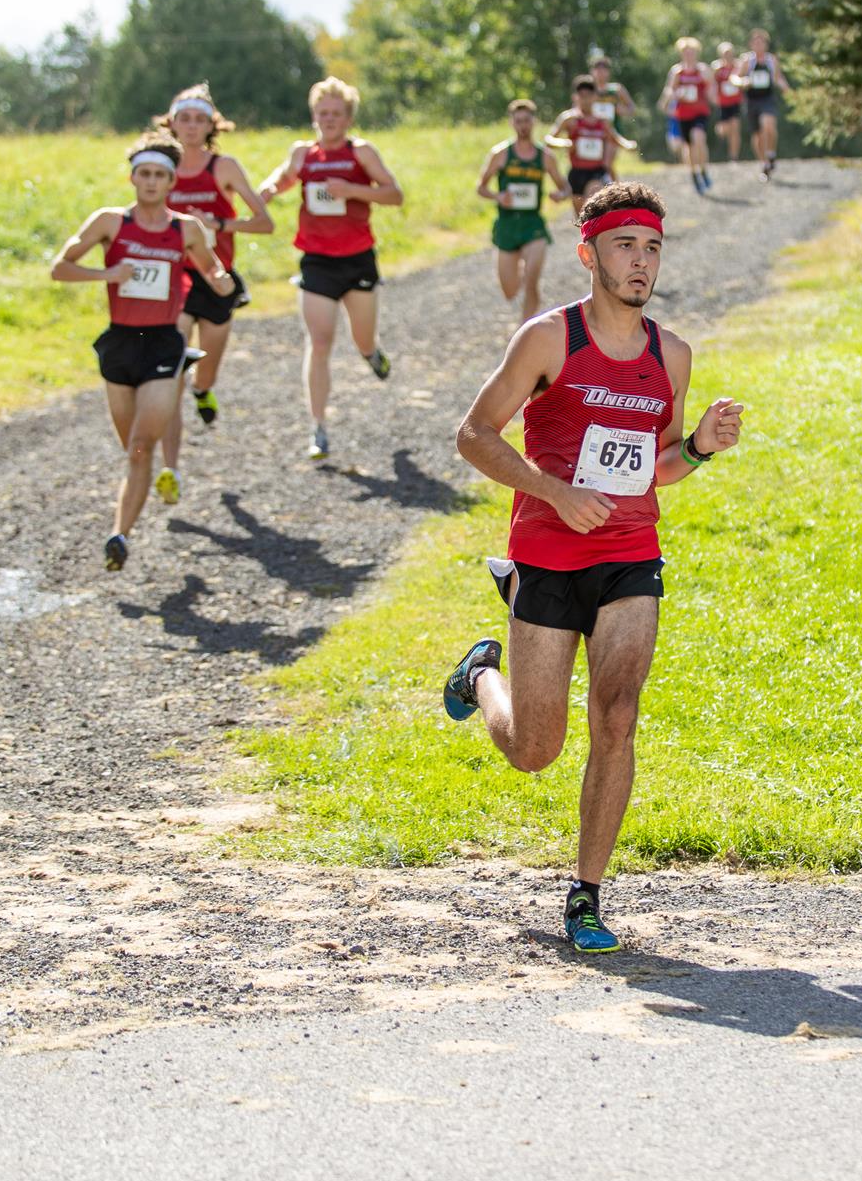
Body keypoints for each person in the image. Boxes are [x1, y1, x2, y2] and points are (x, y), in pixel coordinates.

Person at [443, 182, 746, 952]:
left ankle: (587, 895)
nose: (641, 262)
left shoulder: (670, 354)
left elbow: (659, 467)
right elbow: (473, 434)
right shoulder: (549, 340)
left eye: (651, 248)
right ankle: (483, 673)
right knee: (534, 749)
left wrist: (702, 446)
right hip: (547, 553)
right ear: (588, 254)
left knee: (617, 714)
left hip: (629, 555)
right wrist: (552, 491)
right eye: (624, 246)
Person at [49, 132, 235, 570]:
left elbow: (212, 268)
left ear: (171, 182)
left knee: (139, 443)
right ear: (133, 178)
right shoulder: (110, 222)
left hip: (163, 343)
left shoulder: (185, 229)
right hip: (119, 343)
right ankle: (137, 503)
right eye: (144, 174)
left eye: (159, 175)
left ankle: (119, 535)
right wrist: (108, 274)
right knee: (132, 450)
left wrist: (222, 282)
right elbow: (60, 267)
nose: (151, 182)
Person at [260, 77, 404, 460]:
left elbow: (394, 194)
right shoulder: (303, 153)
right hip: (317, 260)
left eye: (336, 114)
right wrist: (269, 190)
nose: (329, 120)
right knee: (320, 341)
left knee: (361, 338)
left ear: (348, 117)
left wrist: (354, 190)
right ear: (314, 116)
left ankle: (372, 354)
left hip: (357, 259)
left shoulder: (362, 152)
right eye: (323, 113)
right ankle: (318, 428)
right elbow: (283, 178)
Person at [151, 83, 276, 502]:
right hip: (174, 282)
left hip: (217, 279)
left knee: (205, 371)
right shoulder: (158, 167)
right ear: (170, 124)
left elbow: (264, 223)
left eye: (198, 119)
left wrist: (219, 226)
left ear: (211, 126)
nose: (190, 126)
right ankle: (170, 468)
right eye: (183, 118)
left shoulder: (224, 168)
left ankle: (205, 391)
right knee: (171, 372)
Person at [478, 99, 571, 324]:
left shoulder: (545, 156)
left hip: (533, 225)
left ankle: (525, 331)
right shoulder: (500, 154)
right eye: (518, 121)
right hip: (507, 225)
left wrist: (560, 195)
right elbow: (481, 187)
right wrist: (498, 196)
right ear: (512, 123)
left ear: (534, 122)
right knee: (510, 291)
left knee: (532, 281)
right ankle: (519, 267)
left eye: (527, 121)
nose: (523, 126)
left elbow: (565, 187)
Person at [547, 75, 637, 214]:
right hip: (576, 172)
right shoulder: (569, 119)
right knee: (581, 217)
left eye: (589, 95)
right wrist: (565, 144)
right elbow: (549, 139)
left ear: (595, 96)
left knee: (594, 206)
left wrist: (628, 145)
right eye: (581, 95)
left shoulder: (602, 120)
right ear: (575, 97)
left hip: (597, 171)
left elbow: (614, 137)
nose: (585, 99)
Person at [660, 38, 715, 195]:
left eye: (692, 52)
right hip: (683, 114)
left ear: (696, 53)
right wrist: (674, 95)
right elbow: (669, 90)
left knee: (699, 137)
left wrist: (711, 92)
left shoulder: (703, 70)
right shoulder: (677, 71)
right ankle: (694, 174)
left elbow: (711, 88)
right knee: (689, 147)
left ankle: (704, 169)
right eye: (685, 52)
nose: (689, 55)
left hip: (700, 111)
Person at [735, 30, 792, 180]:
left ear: (766, 45)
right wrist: (743, 82)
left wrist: (787, 91)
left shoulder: (771, 60)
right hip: (752, 100)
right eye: (755, 42)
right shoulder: (747, 61)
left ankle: (771, 153)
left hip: (767, 99)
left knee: (769, 125)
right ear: (751, 44)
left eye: (762, 42)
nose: (758, 45)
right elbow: (734, 78)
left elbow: (779, 78)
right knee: (758, 135)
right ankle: (764, 163)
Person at [587, 54, 637, 180]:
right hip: (594, 133)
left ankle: (617, 192)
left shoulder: (616, 90)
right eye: (597, 70)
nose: (600, 73)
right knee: (597, 166)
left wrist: (622, 110)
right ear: (592, 72)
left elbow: (632, 108)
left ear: (608, 72)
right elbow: (577, 109)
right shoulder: (588, 91)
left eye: (604, 70)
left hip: (613, 133)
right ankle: (610, 188)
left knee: (607, 164)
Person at [712, 41, 746, 165]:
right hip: (723, 103)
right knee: (725, 130)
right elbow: (711, 83)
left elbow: (743, 79)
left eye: (729, 53)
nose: (728, 56)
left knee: (735, 129)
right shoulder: (717, 68)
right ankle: (720, 131)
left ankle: (733, 157)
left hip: (735, 102)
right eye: (725, 54)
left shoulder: (738, 66)